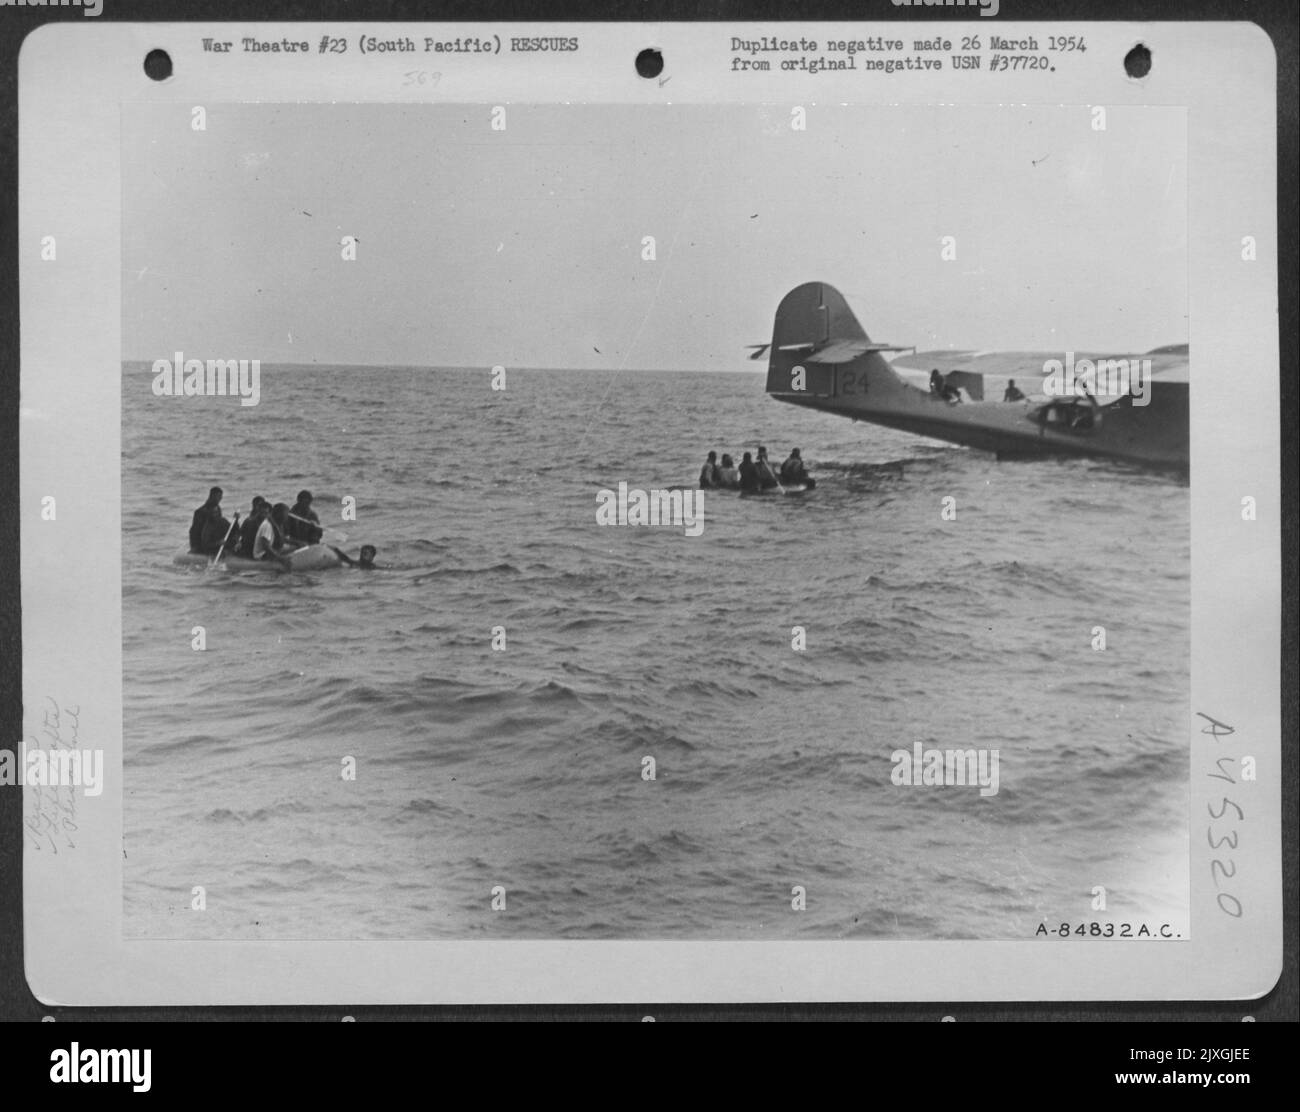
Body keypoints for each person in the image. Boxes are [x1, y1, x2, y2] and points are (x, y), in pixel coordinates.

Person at [189, 486, 223, 552]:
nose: (220, 499)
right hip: (202, 543)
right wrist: (194, 547)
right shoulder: (200, 512)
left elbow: (219, 526)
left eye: (221, 497)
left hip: (213, 540)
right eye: (219, 496)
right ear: (212, 496)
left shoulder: (218, 509)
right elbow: (194, 531)